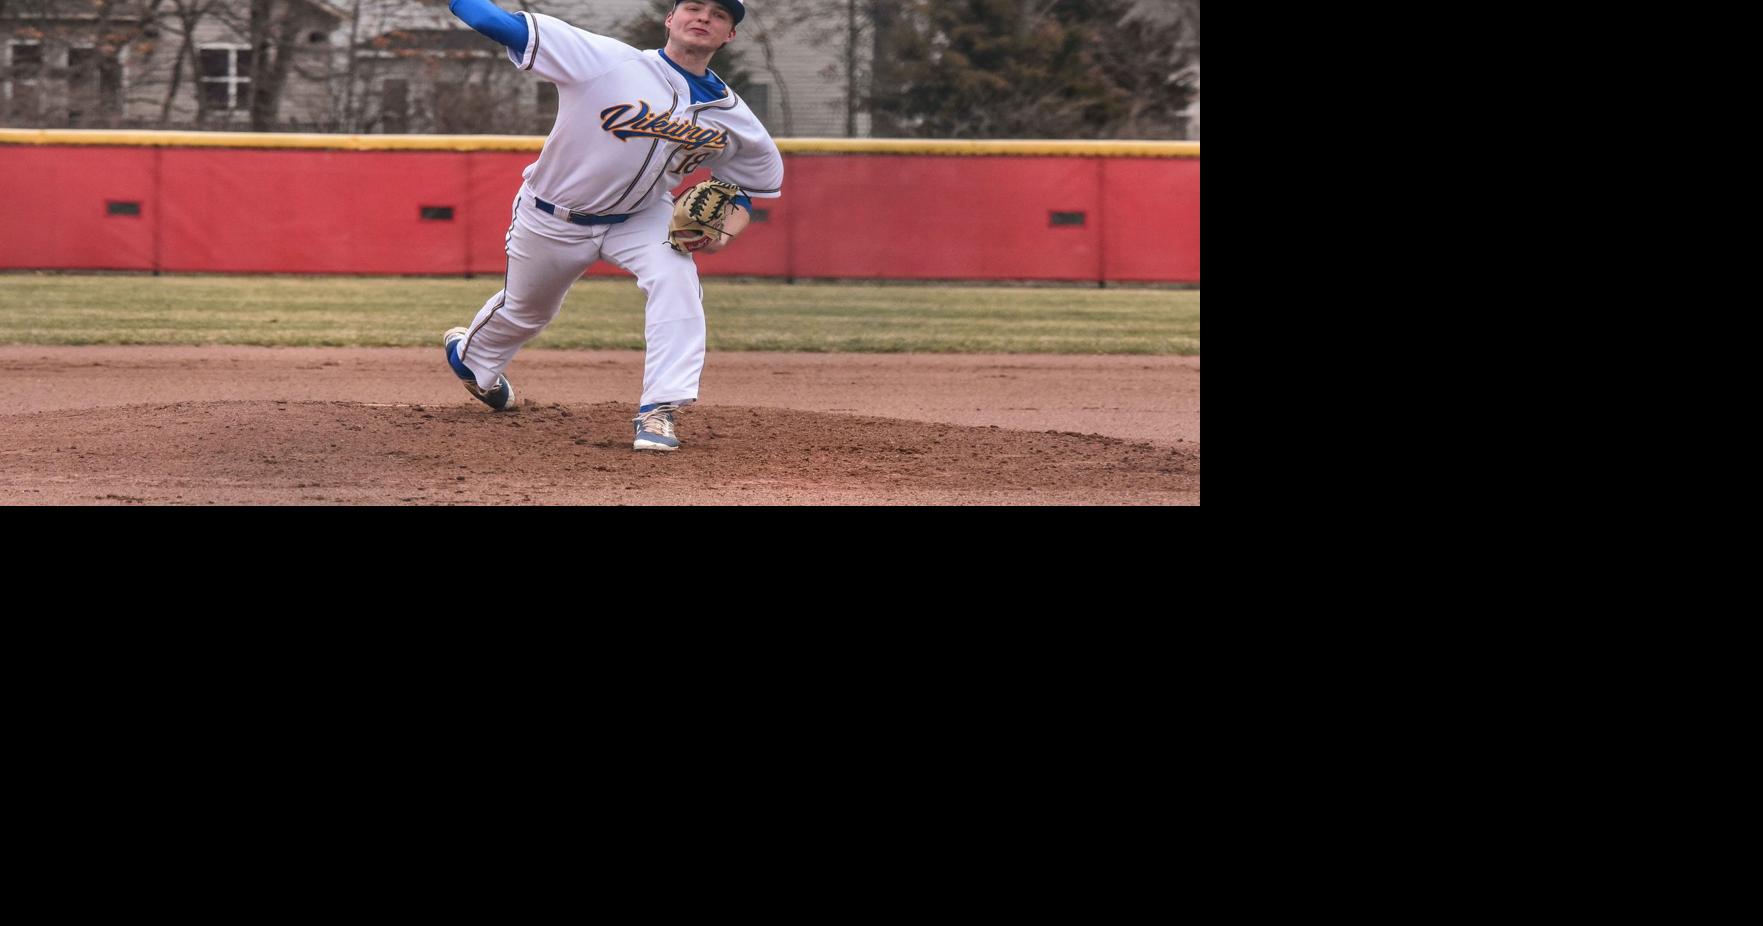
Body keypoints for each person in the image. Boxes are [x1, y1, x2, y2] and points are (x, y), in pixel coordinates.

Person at [442, 0, 783, 451]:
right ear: (670, 19)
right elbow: (491, 21)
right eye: (693, 8)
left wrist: (724, 222)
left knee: (675, 279)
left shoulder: (734, 118)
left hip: (643, 216)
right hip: (553, 214)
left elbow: (750, 182)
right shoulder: (605, 60)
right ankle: (472, 359)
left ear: (729, 36)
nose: (703, 17)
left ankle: (659, 410)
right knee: (528, 312)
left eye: (719, 15)